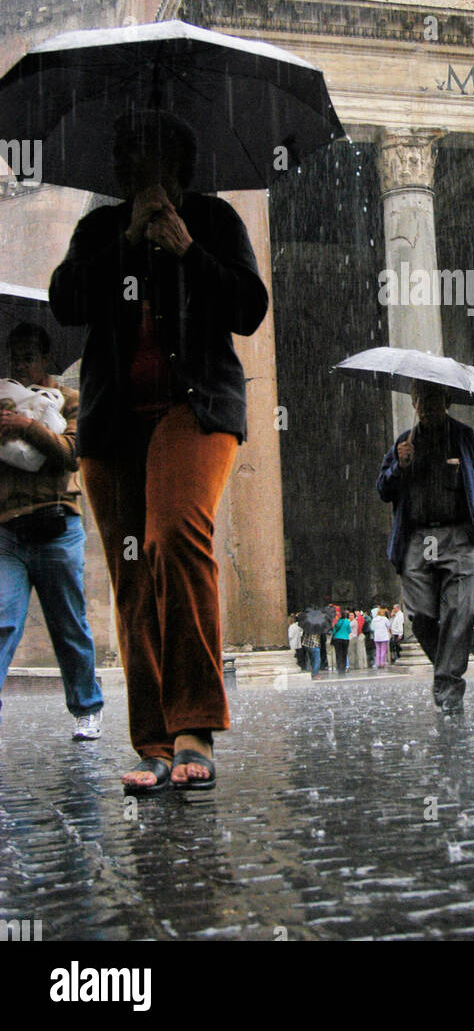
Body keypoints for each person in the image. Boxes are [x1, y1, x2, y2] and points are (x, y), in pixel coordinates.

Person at [49, 109, 268, 794]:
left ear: (179, 168)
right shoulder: (97, 229)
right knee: (131, 573)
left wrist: (187, 252)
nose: (138, 176)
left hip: (194, 408)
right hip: (115, 424)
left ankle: (194, 725)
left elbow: (248, 309)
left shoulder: (214, 219)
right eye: (128, 166)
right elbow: (65, 302)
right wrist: (126, 246)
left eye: (150, 164)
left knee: (174, 533)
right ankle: (152, 741)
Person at [376, 380, 474, 716]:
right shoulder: (403, 443)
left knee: (457, 613)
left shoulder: (467, 439)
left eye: (433, 398)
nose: (427, 405)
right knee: (420, 617)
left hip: (458, 538)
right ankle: (446, 672)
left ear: (447, 400)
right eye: (420, 399)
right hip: (418, 539)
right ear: (413, 403)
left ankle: (449, 688)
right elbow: (383, 490)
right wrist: (399, 466)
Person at [0, 323, 103, 739]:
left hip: (57, 526)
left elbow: (72, 455)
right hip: (7, 530)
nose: (21, 364)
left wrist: (27, 427)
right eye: (15, 356)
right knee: (2, 619)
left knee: (68, 623)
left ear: (45, 360)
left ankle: (87, 708)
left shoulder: (71, 401)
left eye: (29, 356)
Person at [330, 607, 351, 674]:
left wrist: (333, 626)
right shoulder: (347, 621)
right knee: (344, 654)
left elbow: (334, 631)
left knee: (338, 654)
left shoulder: (336, 622)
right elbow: (349, 631)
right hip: (346, 639)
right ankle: (344, 668)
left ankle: (339, 668)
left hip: (337, 638)